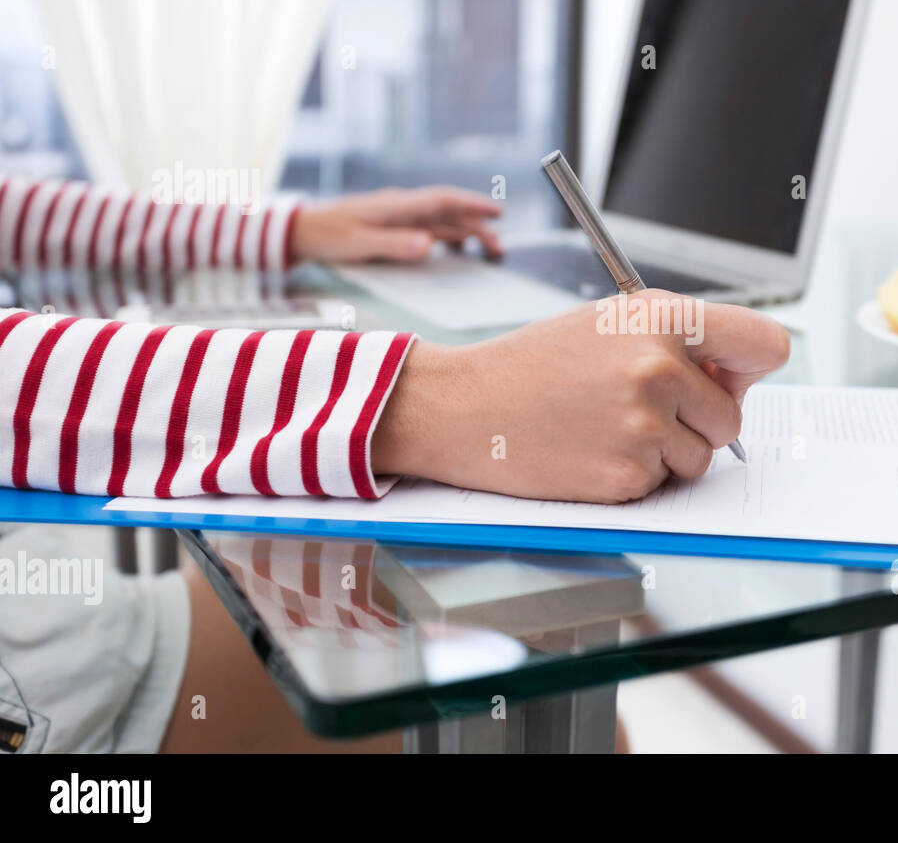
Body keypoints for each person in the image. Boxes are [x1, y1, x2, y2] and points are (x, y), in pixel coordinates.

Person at [0, 174, 790, 752]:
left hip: (73, 641)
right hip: (52, 712)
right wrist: (442, 400)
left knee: (558, 711)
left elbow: (14, 212)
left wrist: (298, 231)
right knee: (541, 730)